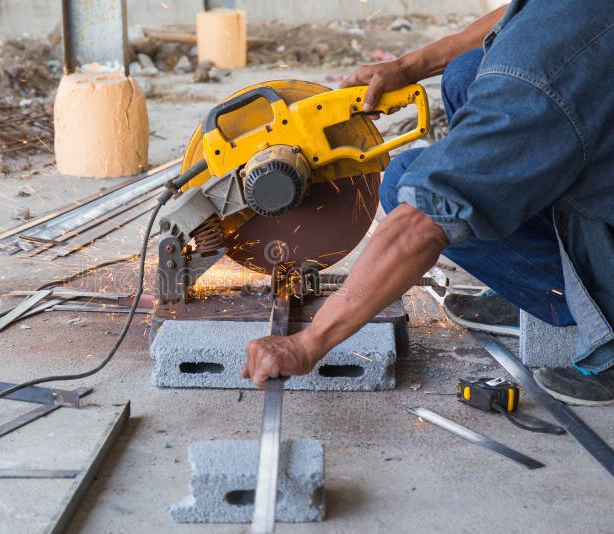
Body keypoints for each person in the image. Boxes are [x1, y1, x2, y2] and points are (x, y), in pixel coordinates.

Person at [242, 0, 614, 406]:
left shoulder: (532, 87)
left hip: (556, 101)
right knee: (464, 73)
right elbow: (513, 17)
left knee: (407, 182)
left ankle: (596, 326)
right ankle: (534, 283)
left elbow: (422, 224)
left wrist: (308, 343)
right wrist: (407, 68)